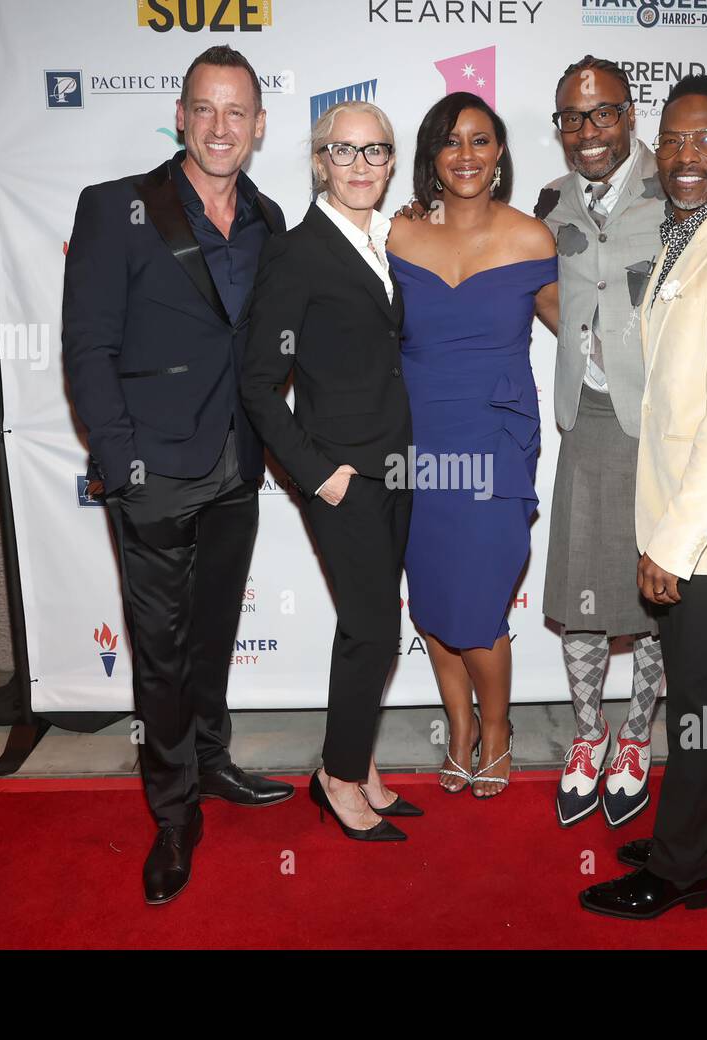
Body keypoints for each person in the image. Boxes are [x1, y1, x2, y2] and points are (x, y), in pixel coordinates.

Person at [533, 56, 707, 829]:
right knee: (586, 600)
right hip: (590, 423)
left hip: (665, 438)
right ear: (559, 127)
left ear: (630, 117)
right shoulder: (548, 202)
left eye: (603, 114)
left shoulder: (683, 192)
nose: (588, 131)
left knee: (667, 613)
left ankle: (635, 742)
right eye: (572, 117)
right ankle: (589, 738)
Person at [62, 46, 294, 906]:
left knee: (210, 635)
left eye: (237, 112)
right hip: (152, 470)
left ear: (259, 125)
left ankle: (210, 758)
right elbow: (88, 344)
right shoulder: (117, 207)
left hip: (236, 464)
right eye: (206, 109)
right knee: (158, 653)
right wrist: (118, 459)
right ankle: (171, 811)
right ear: (181, 115)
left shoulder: (269, 217)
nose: (221, 127)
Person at [241, 101, 422, 841]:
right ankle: (337, 776)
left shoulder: (385, 240)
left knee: (369, 627)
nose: (359, 165)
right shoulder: (296, 251)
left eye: (375, 151)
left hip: (397, 469)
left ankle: (360, 761)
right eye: (342, 151)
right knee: (375, 631)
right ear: (319, 161)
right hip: (343, 477)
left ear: (389, 161)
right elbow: (258, 381)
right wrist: (316, 473)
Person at [386, 92, 557, 798]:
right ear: (431, 157)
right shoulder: (396, 238)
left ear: (500, 155)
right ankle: (457, 731)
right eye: (451, 142)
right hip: (418, 441)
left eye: (481, 141)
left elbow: (583, 337)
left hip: (494, 442)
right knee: (430, 604)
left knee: (480, 606)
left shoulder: (531, 239)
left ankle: (497, 730)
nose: (466, 154)